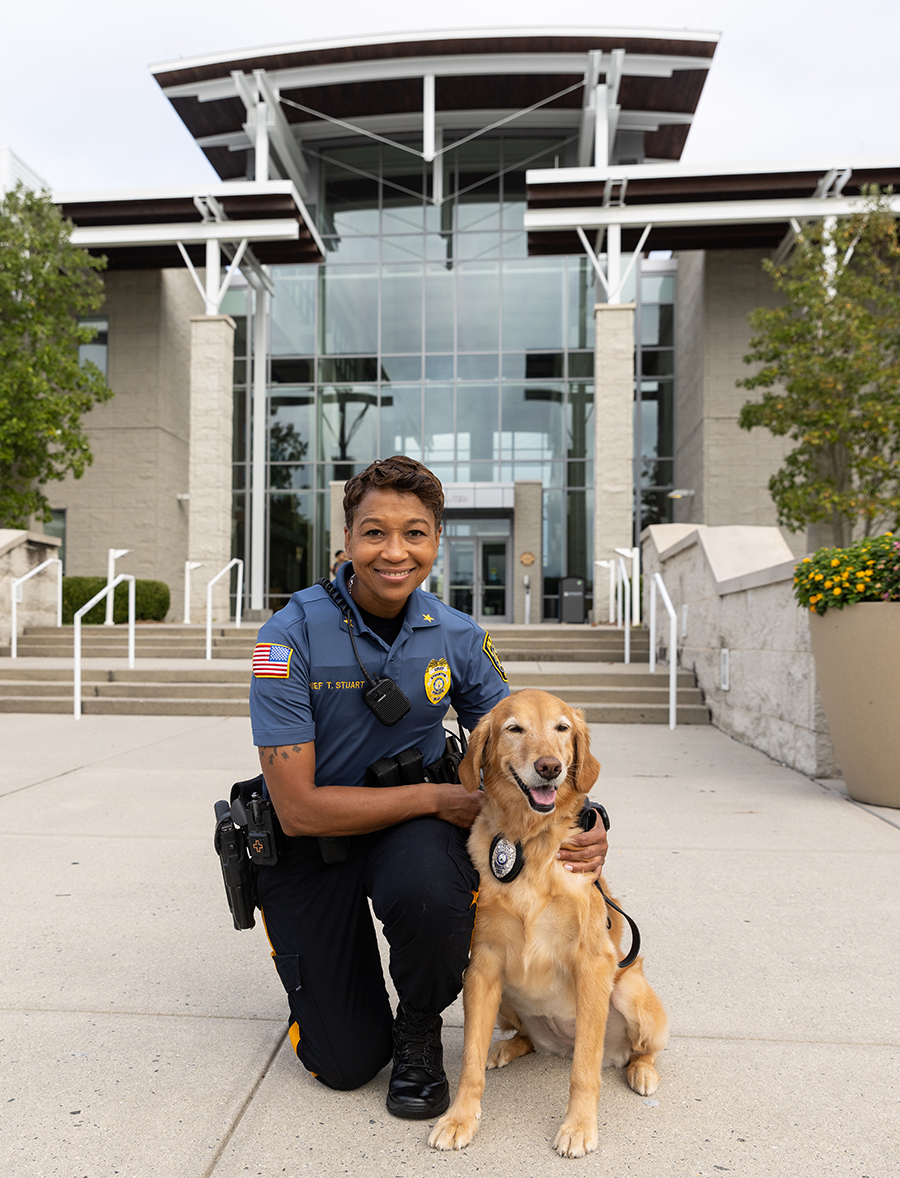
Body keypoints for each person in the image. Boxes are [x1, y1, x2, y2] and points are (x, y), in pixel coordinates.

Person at [248, 456, 608, 1119]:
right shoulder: (286, 635)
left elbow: (522, 738)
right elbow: (297, 809)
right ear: (347, 540)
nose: (394, 552)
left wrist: (585, 817)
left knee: (436, 895)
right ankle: (347, 1006)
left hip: (409, 836)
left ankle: (417, 1026)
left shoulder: (460, 635)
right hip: (314, 835)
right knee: (346, 1063)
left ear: (436, 541)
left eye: (414, 533)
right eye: (374, 532)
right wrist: (439, 799)